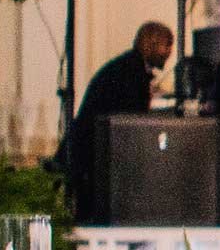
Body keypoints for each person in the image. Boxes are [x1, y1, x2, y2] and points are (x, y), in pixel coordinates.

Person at [65, 22, 179, 218]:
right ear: (150, 43)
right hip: (94, 158)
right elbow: (133, 122)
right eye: (167, 44)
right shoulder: (131, 73)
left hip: (91, 154)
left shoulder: (127, 66)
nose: (169, 52)